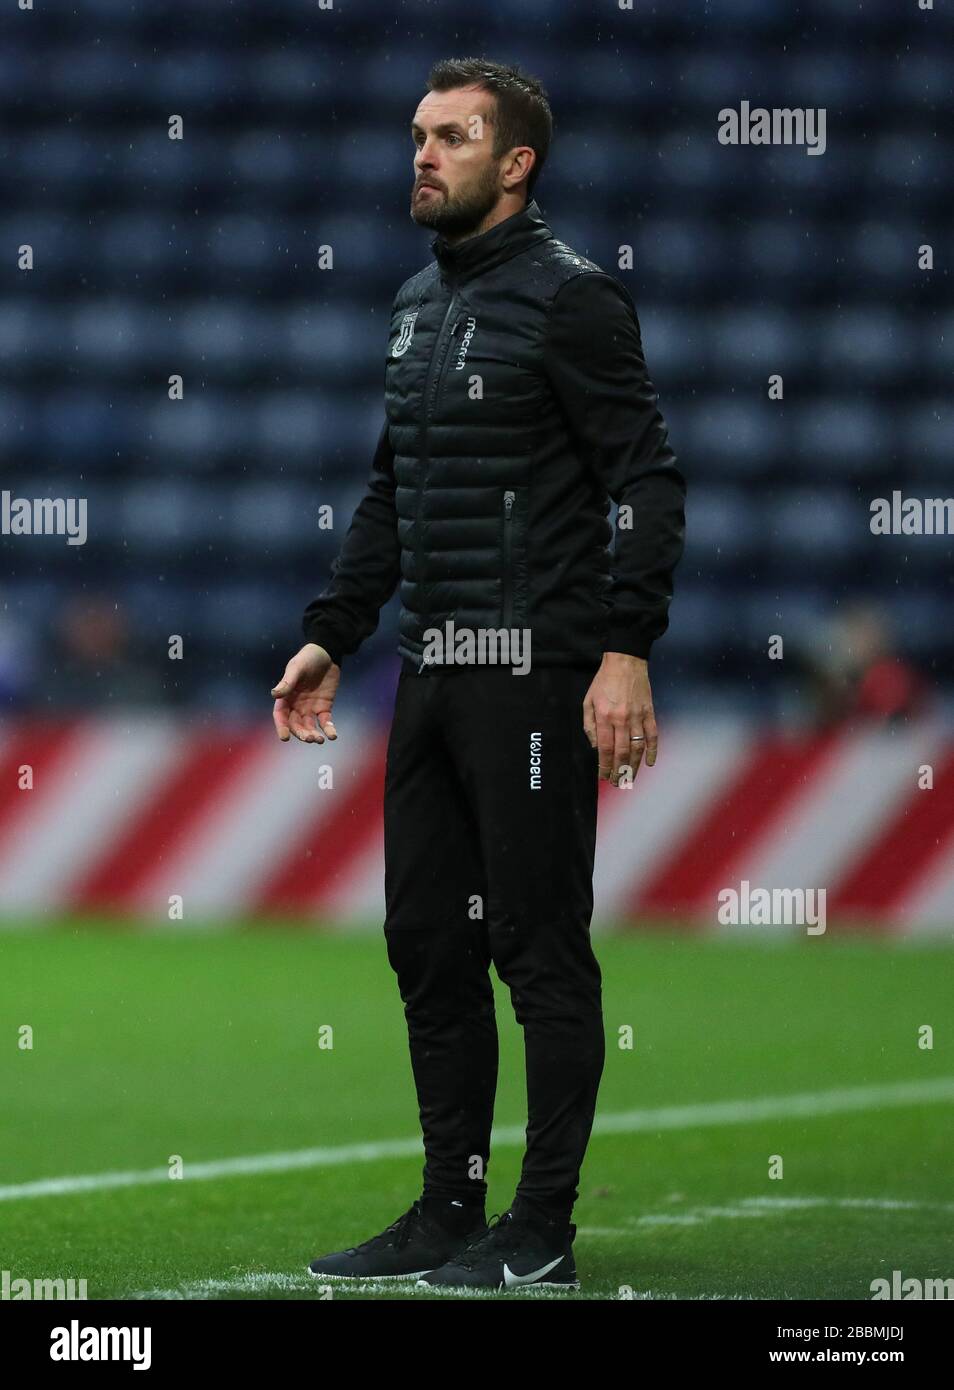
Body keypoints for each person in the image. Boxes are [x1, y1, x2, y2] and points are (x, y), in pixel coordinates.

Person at [271, 57, 686, 1292]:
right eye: (418, 134)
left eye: (452, 136)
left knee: (537, 949)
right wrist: (333, 632)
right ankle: (449, 1209)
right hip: (433, 671)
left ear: (517, 164)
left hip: (533, 673)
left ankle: (543, 1227)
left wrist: (625, 650)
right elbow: (396, 492)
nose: (423, 154)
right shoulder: (412, 304)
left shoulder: (574, 301)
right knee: (425, 945)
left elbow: (649, 482)